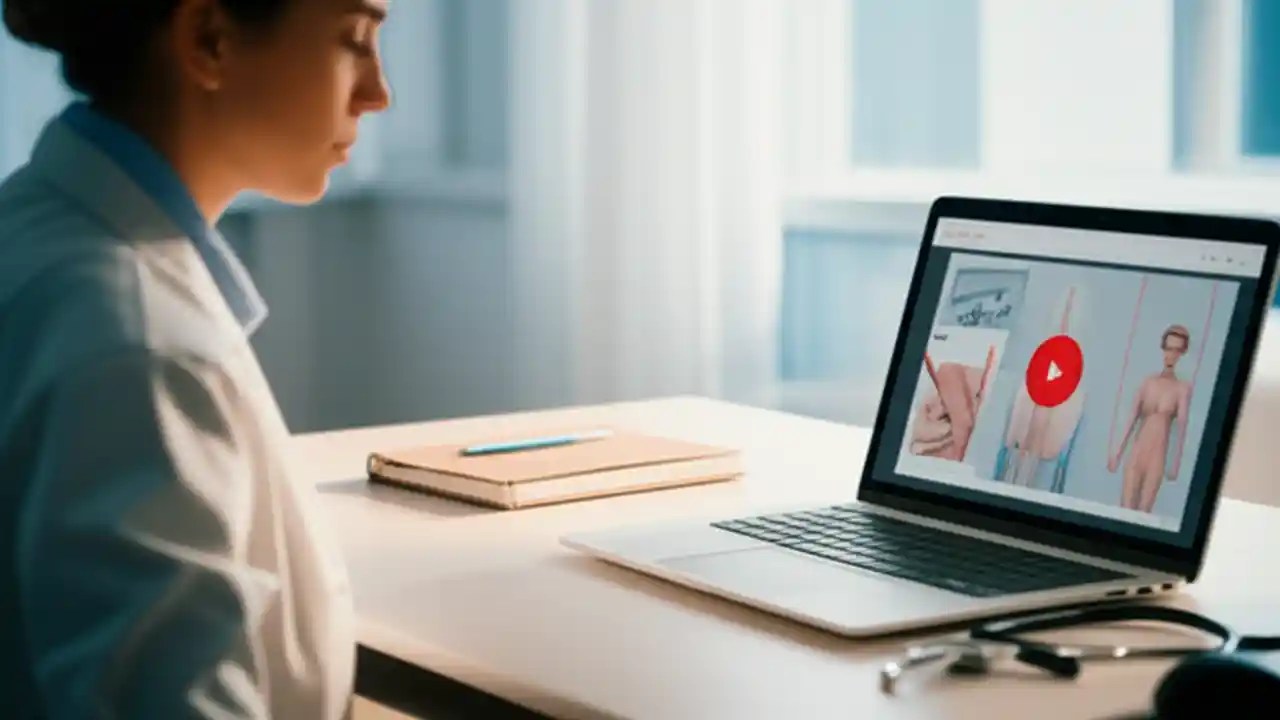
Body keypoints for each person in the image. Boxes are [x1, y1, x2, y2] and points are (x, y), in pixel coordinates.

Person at [0, 0, 391, 717]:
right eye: (355, 39)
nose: (378, 93)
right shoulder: (133, 342)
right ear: (209, 41)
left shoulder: (34, 229)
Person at [1109, 324, 1193, 513]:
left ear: (1182, 353)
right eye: (1169, 348)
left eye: (1177, 350)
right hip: (1137, 453)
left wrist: (1175, 465)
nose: (1171, 355)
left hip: (1157, 457)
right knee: (1124, 510)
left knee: (1144, 512)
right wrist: (1117, 454)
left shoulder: (1182, 389)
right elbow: (1131, 418)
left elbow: (1181, 428)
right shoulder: (1148, 382)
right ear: (1163, 348)